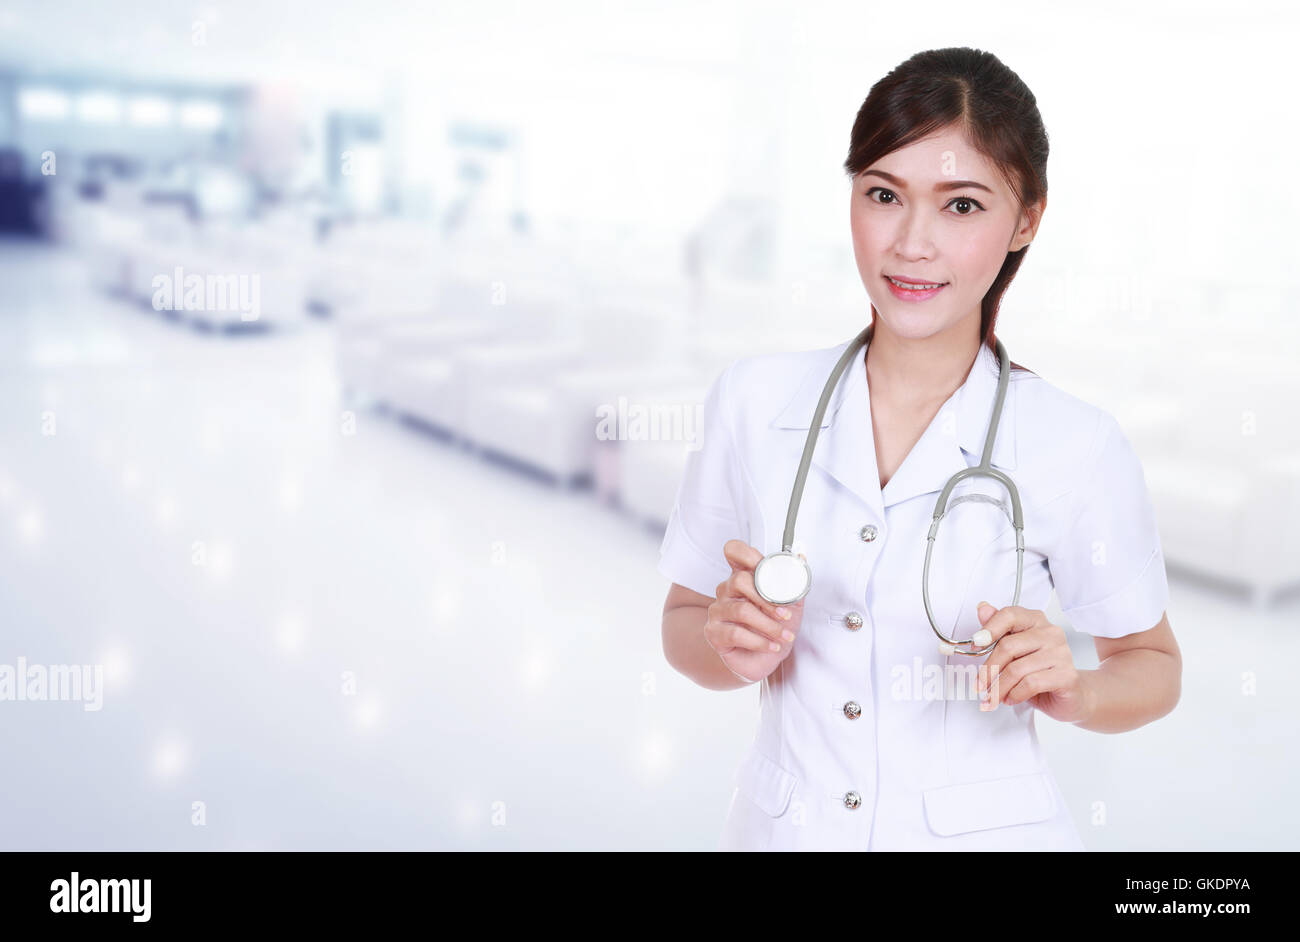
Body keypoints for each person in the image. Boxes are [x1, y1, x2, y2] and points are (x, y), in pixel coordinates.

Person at [657, 46, 1182, 851]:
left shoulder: (1077, 446)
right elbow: (684, 624)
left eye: (961, 206)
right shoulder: (752, 401)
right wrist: (731, 650)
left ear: (1028, 218)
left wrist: (1072, 689)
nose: (910, 243)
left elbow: (1152, 664)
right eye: (883, 194)